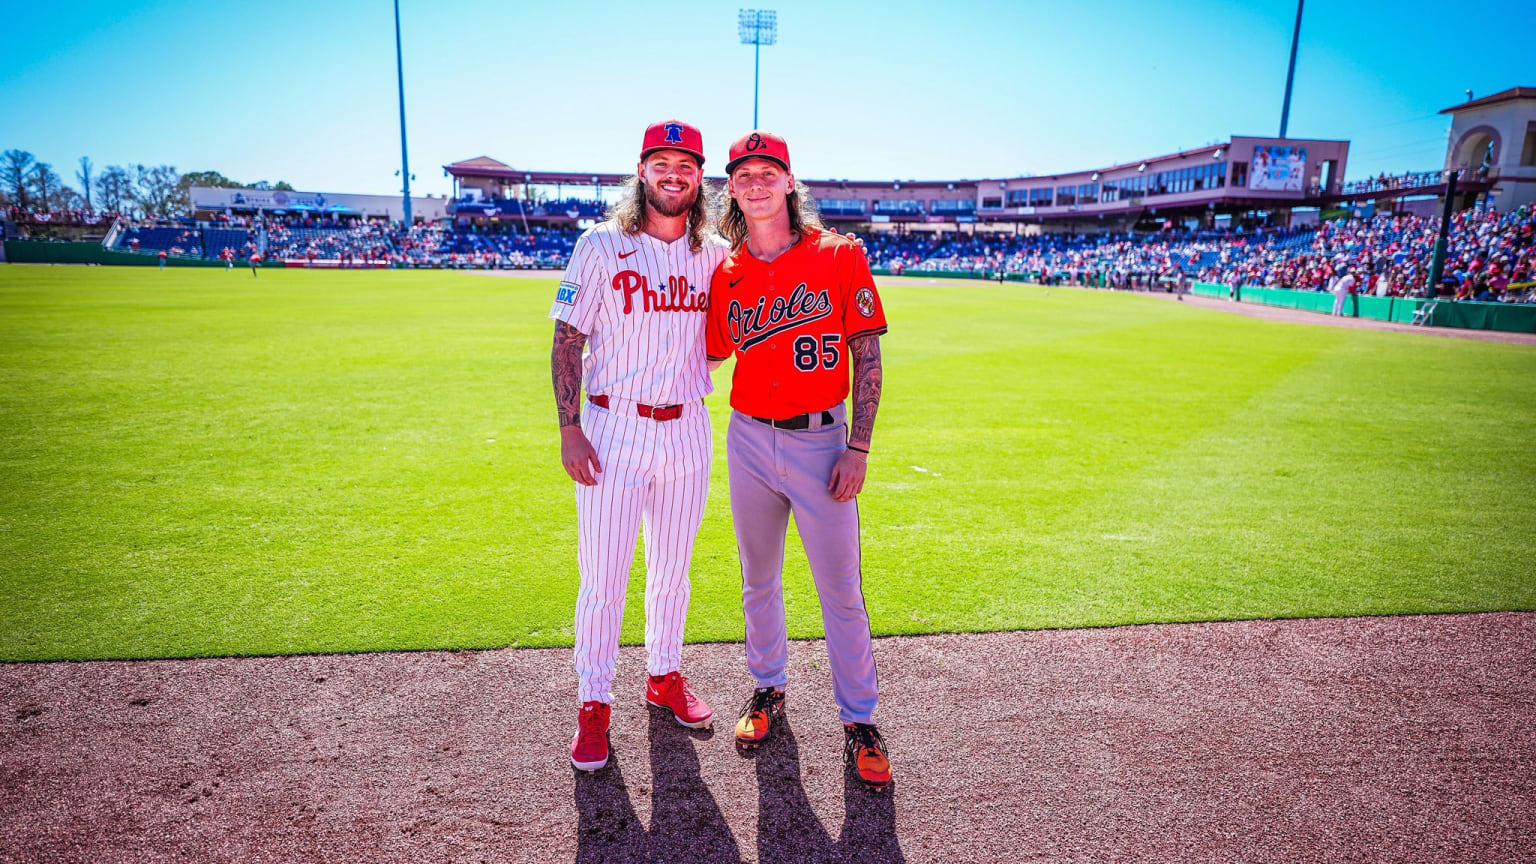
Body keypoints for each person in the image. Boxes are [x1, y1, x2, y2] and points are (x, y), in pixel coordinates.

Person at [705, 131, 893, 791]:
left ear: (789, 182)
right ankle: (767, 688)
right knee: (759, 578)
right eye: (743, 173)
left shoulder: (839, 255)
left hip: (822, 443)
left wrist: (860, 446)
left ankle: (860, 721)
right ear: (731, 187)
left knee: (841, 591)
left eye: (768, 171)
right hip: (749, 438)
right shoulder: (726, 271)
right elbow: (707, 352)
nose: (755, 182)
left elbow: (868, 355)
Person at [550, 120, 727, 773]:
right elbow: (568, 339)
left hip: (688, 428)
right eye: (662, 163)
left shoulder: (713, 254)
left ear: (698, 176)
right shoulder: (599, 246)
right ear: (642, 170)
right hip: (611, 426)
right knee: (602, 579)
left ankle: (664, 674)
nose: (674, 174)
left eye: (686, 164)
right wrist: (569, 427)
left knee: (672, 573)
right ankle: (594, 702)